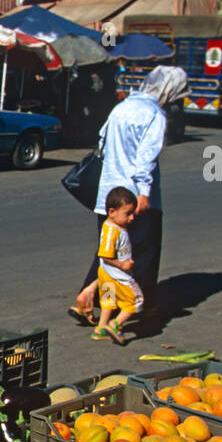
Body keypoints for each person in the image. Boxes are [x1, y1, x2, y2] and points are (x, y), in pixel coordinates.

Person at [69, 65, 188, 326]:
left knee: (108, 252)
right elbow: (146, 159)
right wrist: (144, 192)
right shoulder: (154, 114)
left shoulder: (121, 108)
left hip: (108, 196)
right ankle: (139, 306)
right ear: (169, 89)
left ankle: (94, 300)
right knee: (143, 253)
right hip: (135, 198)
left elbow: (102, 143)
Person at [90, 187, 142, 346]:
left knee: (108, 301)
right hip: (118, 275)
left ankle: (100, 329)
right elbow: (105, 255)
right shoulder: (113, 232)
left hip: (105, 274)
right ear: (112, 211)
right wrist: (123, 265)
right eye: (128, 214)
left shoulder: (111, 226)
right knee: (135, 300)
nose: (132, 218)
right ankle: (115, 324)